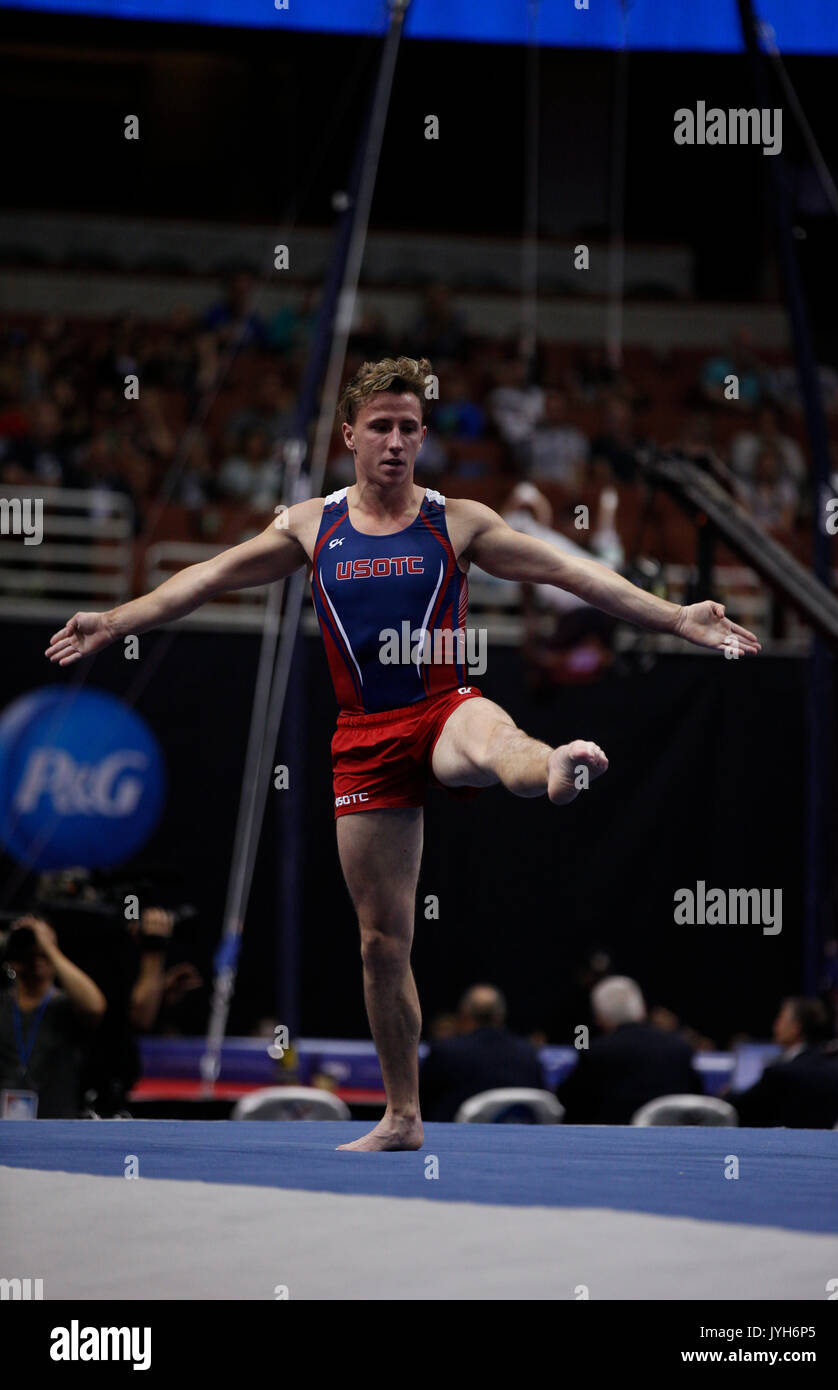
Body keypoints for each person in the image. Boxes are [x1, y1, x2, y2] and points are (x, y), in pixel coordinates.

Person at [45, 355, 760, 1151]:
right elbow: (205, 578)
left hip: (441, 705)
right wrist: (116, 620)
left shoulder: (459, 522)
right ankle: (404, 1115)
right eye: (380, 427)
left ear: (424, 437)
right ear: (349, 434)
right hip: (365, 740)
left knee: (493, 738)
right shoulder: (311, 525)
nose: (394, 442)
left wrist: (676, 618)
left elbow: (576, 573)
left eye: (409, 429)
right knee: (383, 944)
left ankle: (552, 769)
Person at [556, 977, 703, 1124]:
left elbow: (567, 1105)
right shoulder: (679, 1048)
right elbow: (698, 1103)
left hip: (611, 1143)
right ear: (642, 1010)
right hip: (672, 1143)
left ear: (599, 1018)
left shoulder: (597, 1052)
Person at [0, 916, 106, 1118]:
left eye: (43, 948)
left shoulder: (66, 1005)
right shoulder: (3, 1004)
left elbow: (95, 1007)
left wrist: (48, 947)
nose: (37, 952)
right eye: (32, 945)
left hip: (57, 1125)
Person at [419, 984, 545, 1120]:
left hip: (458, 1137)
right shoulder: (529, 1052)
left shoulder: (445, 1051)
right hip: (521, 1137)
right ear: (500, 1015)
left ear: (464, 1015)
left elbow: (420, 1103)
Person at [730, 998, 838, 1129]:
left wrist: (727, 1093)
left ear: (796, 1028)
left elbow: (738, 1107)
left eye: (781, 1019)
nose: (775, 1025)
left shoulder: (780, 1073)